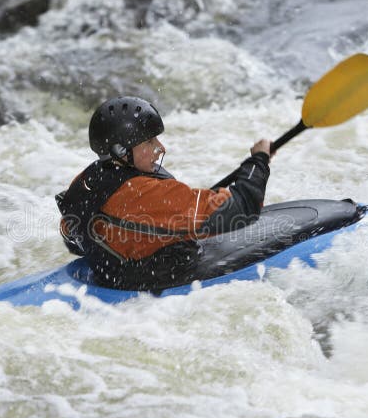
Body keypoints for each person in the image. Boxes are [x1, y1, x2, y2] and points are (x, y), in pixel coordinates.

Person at [56, 95, 271, 290]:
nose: (161, 148)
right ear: (121, 151)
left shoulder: (86, 180)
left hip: (109, 279)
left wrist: (130, 238)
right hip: (154, 287)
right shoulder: (144, 194)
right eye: (149, 141)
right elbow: (243, 208)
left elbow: (72, 237)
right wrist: (258, 162)